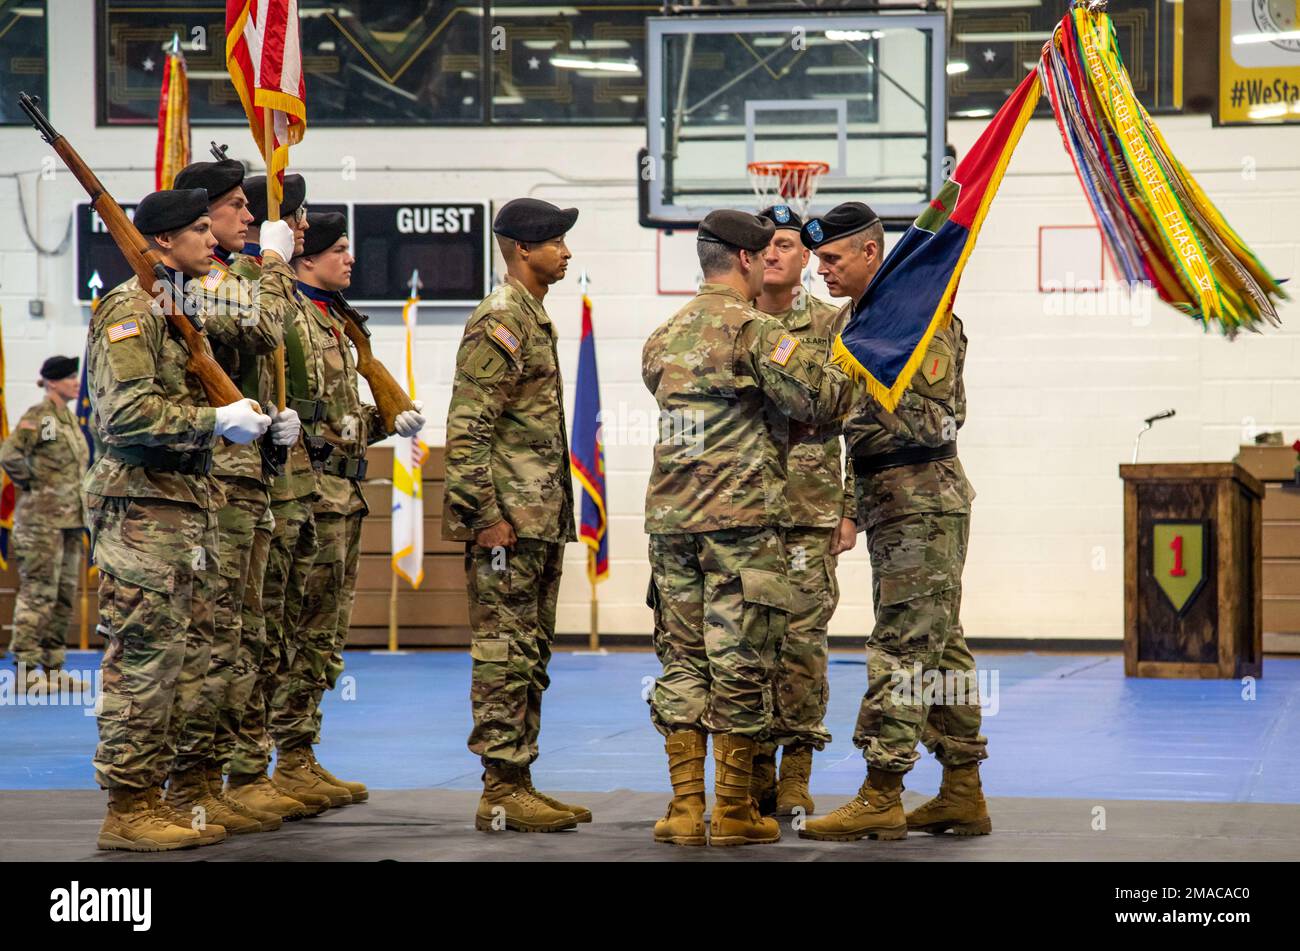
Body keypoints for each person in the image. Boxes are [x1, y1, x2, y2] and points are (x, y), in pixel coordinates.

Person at [642, 209, 860, 847]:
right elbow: (821, 401)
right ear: (743, 260)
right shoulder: (757, 332)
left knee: (681, 660)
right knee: (740, 660)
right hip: (739, 526)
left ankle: (685, 810)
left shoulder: (663, 335)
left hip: (669, 522)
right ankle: (734, 811)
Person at [794, 202, 990, 843]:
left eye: (832, 258)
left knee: (903, 647)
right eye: (818, 259)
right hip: (895, 500)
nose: (820, 270)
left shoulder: (916, 321)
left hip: (922, 500)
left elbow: (925, 417)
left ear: (872, 253)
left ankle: (881, 791)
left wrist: (833, 382)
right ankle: (963, 789)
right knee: (943, 645)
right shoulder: (865, 320)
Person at [86, 188, 271, 851]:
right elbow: (127, 415)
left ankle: (163, 793)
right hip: (140, 510)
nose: (213, 240)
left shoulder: (175, 309)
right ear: (162, 241)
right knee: (142, 661)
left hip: (181, 509)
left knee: (178, 661)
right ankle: (128, 808)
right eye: (199, 229)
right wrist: (214, 420)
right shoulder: (130, 309)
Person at [162, 159, 302, 835]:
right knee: (212, 640)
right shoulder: (198, 287)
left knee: (243, 638)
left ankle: (216, 778)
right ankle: (190, 782)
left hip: (244, 482)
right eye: (238, 206)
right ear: (204, 213)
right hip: (211, 486)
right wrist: (274, 261)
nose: (250, 218)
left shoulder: (216, 279)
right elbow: (267, 326)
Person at [444, 197, 589, 834]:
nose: (565, 251)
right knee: (504, 651)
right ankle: (499, 789)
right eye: (555, 241)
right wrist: (483, 515)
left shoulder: (531, 317)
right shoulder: (500, 319)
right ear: (522, 250)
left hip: (536, 518)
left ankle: (519, 779)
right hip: (506, 522)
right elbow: (469, 426)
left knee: (529, 650)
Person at [270, 211, 424, 806]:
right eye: (337, 250)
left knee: (322, 637)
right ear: (304, 260)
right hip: (304, 496)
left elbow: (335, 417)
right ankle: (259, 763)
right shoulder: (288, 315)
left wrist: (385, 418)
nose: (350, 259)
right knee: (286, 631)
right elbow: (299, 416)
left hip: (341, 497)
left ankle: (298, 755)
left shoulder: (338, 322)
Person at [223, 174, 332, 821]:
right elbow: (259, 343)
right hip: (235, 488)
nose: (304, 228)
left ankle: (276, 759)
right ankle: (231, 773)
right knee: (244, 637)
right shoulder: (249, 285)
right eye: (298, 217)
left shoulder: (291, 295)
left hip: (278, 482)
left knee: (282, 634)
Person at [750, 204, 857, 817]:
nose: (773, 253)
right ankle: (753, 772)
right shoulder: (730, 322)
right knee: (747, 646)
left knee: (802, 646)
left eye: (786, 244)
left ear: (806, 259)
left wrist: (850, 510)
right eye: (764, 243)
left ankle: (795, 771)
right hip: (738, 512)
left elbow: (858, 419)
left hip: (809, 512)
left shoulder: (831, 325)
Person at [0, 355, 90, 689]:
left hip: (69, 521)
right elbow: (10, 455)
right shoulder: (39, 416)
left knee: (64, 594)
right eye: (69, 377)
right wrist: (33, 484)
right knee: (38, 593)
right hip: (41, 521)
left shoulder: (67, 418)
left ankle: (53, 667)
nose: (75, 382)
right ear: (51, 382)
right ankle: (25, 670)